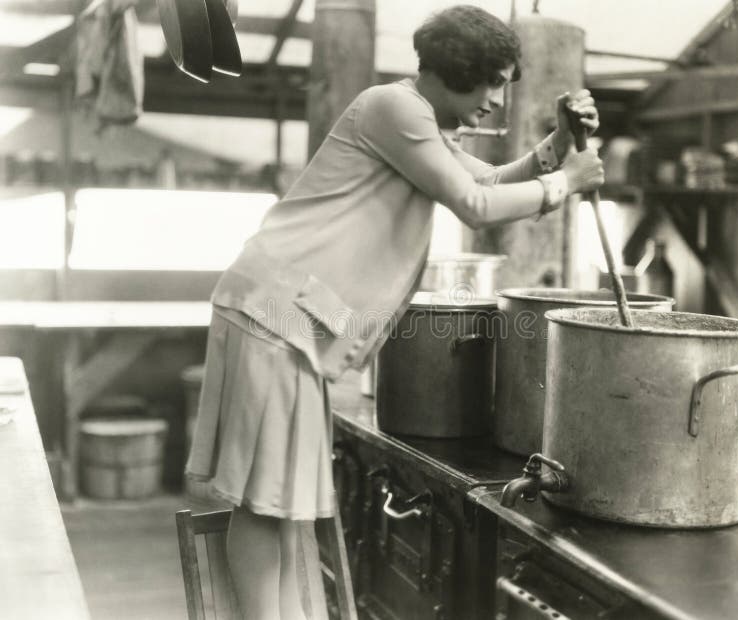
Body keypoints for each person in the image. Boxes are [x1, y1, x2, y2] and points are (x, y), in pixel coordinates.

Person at [185, 5, 603, 619]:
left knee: (275, 501)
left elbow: (488, 177)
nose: (497, 100)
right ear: (459, 69)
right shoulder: (393, 108)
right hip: (273, 310)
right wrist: (566, 183)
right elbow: (475, 204)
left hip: (291, 317)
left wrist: (559, 146)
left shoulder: (423, 124)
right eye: (492, 82)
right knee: (261, 502)